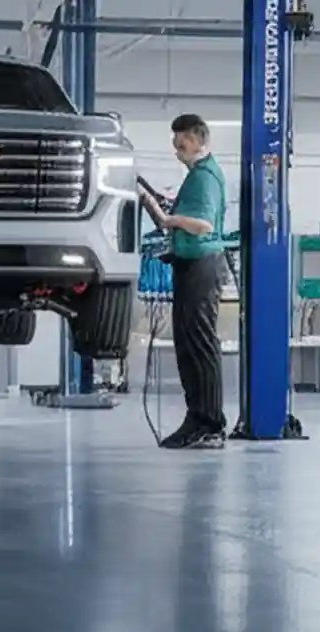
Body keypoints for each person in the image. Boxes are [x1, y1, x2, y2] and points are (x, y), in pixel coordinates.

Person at [138, 114, 228, 450]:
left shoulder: (204, 177)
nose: (178, 151)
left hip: (201, 266)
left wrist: (166, 218)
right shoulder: (196, 176)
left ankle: (209, 424)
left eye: (183, 145)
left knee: (200, 344)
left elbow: (203, 223)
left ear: (200, 140)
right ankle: (198, 418)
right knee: (188, 344)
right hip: (191, 264)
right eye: (175, 146)